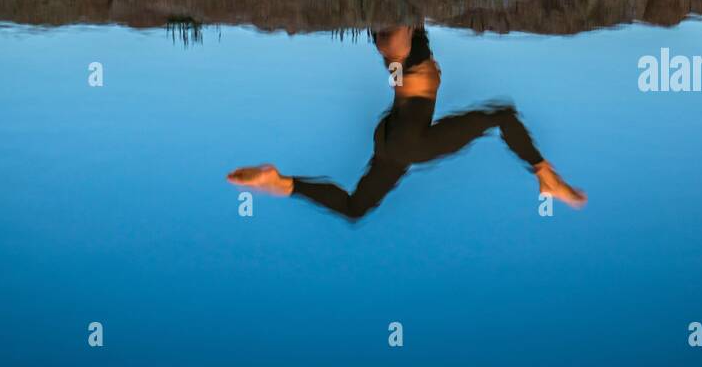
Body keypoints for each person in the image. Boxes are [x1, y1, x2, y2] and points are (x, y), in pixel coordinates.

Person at [226, 25, 587, 221]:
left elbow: (394, 45)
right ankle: (283, 183)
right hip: (392, 141)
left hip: (407, 134)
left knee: (502, 115)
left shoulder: (401, 46)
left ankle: (545, 174)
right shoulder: (400, 47)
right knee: (356, 208)